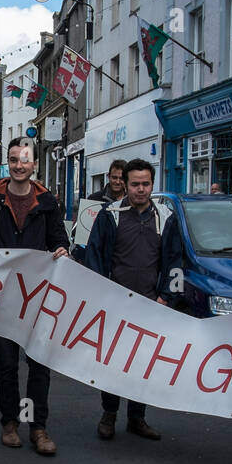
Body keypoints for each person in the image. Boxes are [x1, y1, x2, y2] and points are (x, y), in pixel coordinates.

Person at [0, 138, 71, 455]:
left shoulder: (49, 202)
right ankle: (10, 423)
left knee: (39, 365)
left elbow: (59, 241)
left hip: (38, 296)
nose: (18, 165)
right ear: (7, 163)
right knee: (9, 365)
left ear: (34, 164)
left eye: (24, 160)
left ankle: (38, 428)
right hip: (5, 297)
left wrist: (62, 250)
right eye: (13, 160)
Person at [83, 158, 181, 442]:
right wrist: (101, 296)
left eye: (146, 184)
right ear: (124, 184)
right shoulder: (109, 215)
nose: (141, 189)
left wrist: (166, 298)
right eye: (135, 184)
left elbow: (175, 261)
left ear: (152, 184)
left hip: (151, 304)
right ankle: (109, 414)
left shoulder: (166, 217)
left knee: (143, 363)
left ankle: (138, 417)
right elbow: (95, 257)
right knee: (113, 362)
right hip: (116, 303)